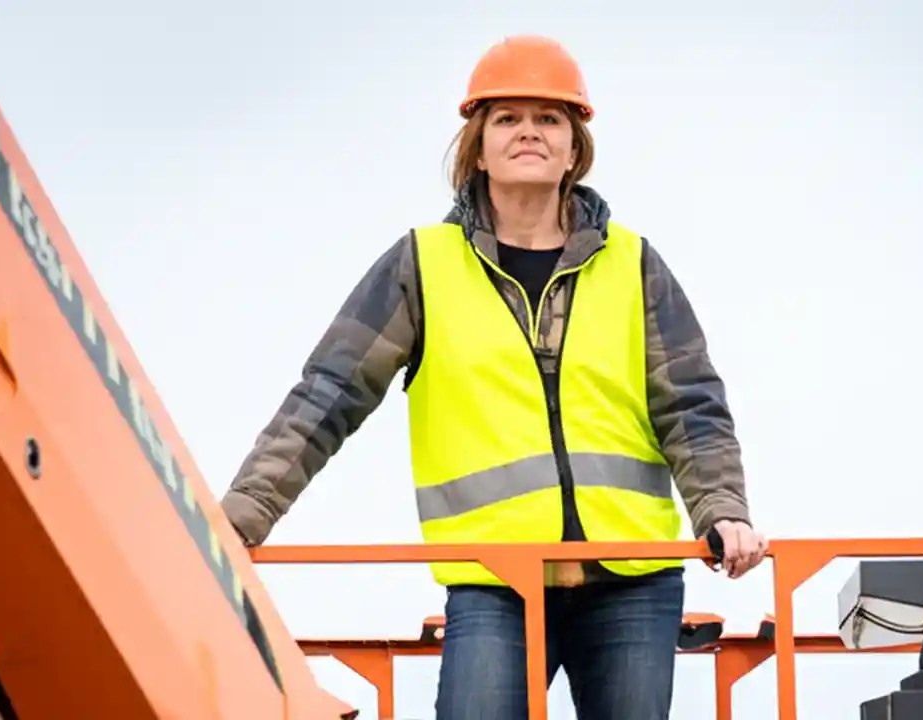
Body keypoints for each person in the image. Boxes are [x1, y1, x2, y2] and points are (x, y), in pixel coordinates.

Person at [219, 34, 766, 719]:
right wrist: (243, 515)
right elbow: (330, 393)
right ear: (478, 146)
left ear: (575, 148)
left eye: (549, 119)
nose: (529, 132)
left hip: (633, 575)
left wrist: (724, 511)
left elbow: (691, 404)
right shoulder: (422, 264)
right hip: (494, 578)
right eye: (508, 118)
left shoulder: (635, 263)